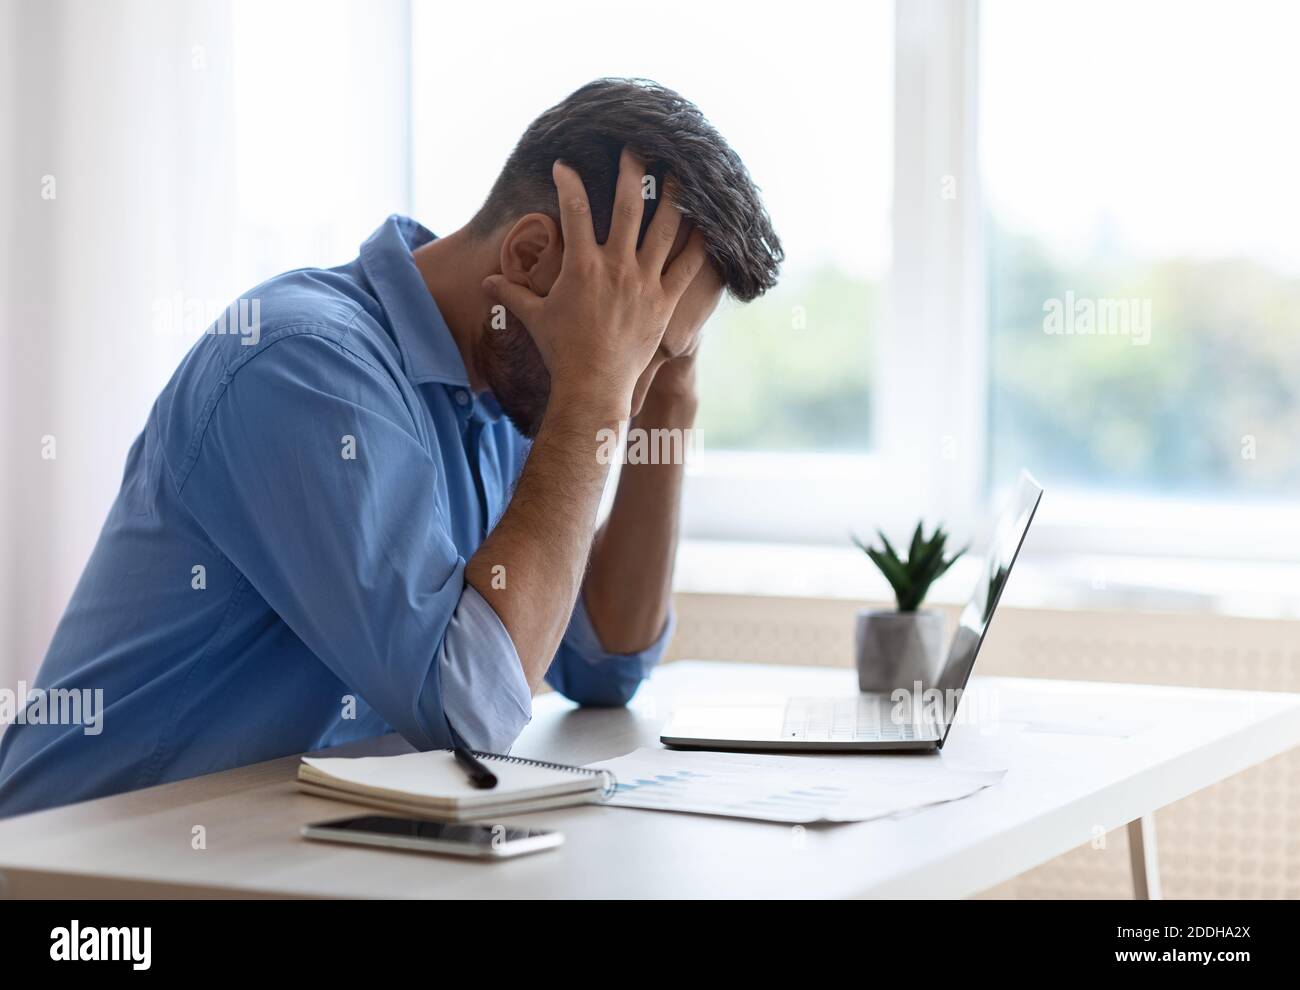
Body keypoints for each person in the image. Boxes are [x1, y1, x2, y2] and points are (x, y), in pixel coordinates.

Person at [0, 77, 782, 818]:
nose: (630, 396)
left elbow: (604, 661)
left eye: (656, 352)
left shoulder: (499, 393)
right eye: (635, 352)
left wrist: (672, 394)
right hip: (77, 868)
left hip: (266, 861)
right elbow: (474, 710)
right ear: (529, 257)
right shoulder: (302, 364)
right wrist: (594, 392)